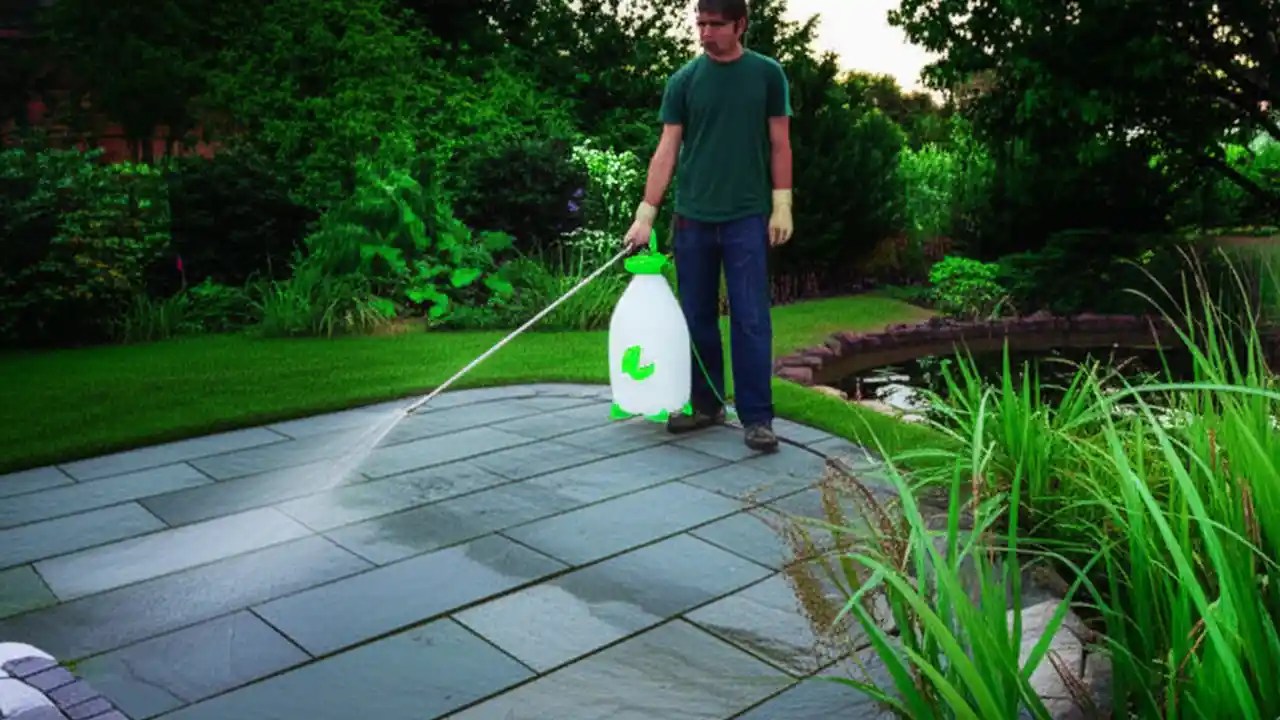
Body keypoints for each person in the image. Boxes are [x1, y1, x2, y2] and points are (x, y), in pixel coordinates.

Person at [622, 0, 793, 453]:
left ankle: (757, 418)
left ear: (740, 25)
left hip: (746, 217)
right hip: (692, 218)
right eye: (700, 23)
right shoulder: (684, 81)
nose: (705, 32)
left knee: (750, 319)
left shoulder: (767, 75)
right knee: (696, 317)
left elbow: (780, 143)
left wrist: (782, 203)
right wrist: (646, 213)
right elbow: (667, 149)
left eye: (716, 24)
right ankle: (706, 404)